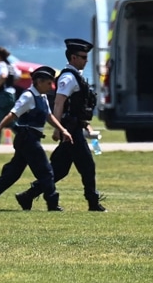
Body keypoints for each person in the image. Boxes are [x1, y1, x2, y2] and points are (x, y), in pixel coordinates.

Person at [15, 38, 105, 211]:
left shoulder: (76, 77)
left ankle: (27, 196)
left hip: (74, 127)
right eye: (83, 57)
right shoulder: (68, 78)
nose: (86, 60)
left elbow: (76, 106)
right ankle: (93, 202)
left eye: (87, 57)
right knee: (87, 166)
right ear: (73, 57)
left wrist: (84, 124)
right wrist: (58, 128)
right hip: (69, 130)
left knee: (60, 169)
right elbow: (59, 102)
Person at [0, 66, 72, 212]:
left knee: (12, 174)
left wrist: (62, 129)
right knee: (46, 172)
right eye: (48, 83)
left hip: (30, 139)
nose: (52, 87)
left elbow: (48, 116)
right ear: (39, 82)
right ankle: (52, 204)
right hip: (28, 139)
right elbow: (12, 115)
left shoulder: (42, 96)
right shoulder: (28, 96)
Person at [0, 47, 19, 130]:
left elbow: (3, 76)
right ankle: (23, 137)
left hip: (2, 95)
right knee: (12, 120)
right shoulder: (11, 65)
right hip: (11, 94)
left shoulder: (1, 64)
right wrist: (10, 83)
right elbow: (17, 76)